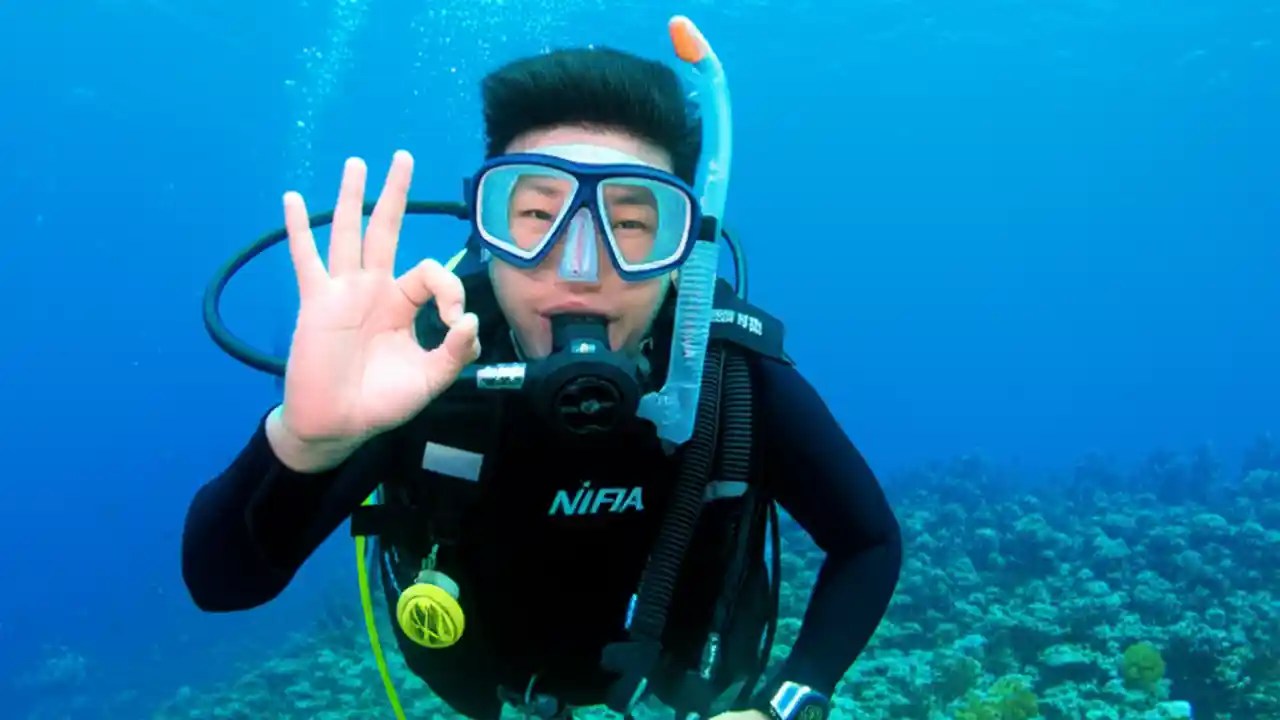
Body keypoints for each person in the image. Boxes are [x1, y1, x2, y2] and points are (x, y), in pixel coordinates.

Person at [183, 16, 902, 720]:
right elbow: (222, 584)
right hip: (482, 686)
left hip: (684, 686)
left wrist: (787, 705)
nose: (579, 267)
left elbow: (868, 543)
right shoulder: (425, 368)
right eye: (535, 215)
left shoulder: (729, 379)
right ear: (486, 231)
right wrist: (301, 445)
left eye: (629, 224)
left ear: (684, 249)